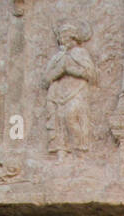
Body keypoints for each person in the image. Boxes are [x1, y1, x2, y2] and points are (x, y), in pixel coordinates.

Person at [42, 22, 96, 157]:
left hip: (75, 91)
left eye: (65, 37)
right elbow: (46, 79)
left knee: (70, 117)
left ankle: (80, 148)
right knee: (58, 120)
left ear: (73, 38)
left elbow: (91, 74)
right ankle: (61, 151)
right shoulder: (58, 56)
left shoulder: (81, 53)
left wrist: (71, 70)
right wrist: (59, 71)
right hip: (57, 93)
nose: (62, 40)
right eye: (61, 38)